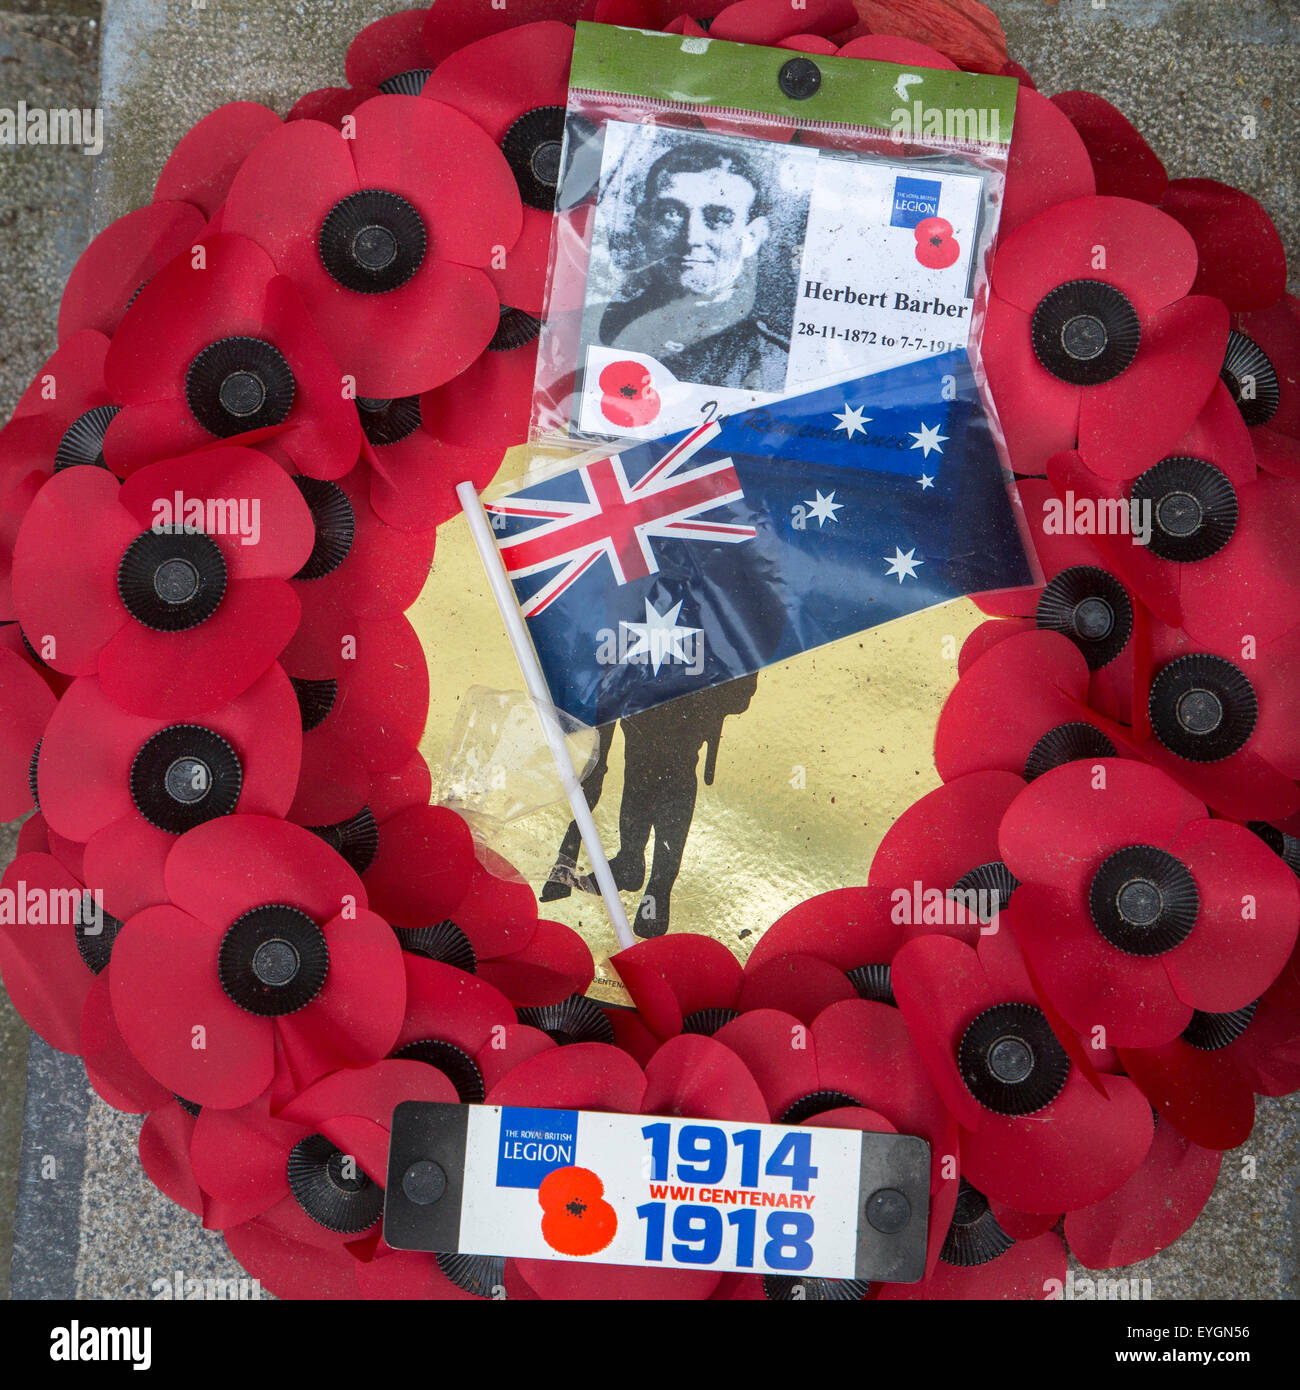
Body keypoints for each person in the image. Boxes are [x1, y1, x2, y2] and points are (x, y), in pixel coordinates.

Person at [540, 673, 759, 937]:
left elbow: (740, 687)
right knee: (639, 765)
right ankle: (632, 861)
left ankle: (658, 883)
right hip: (643, 693)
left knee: (671, 769)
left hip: (690, 696)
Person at [598, 143, 788, 392]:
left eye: (719, 218)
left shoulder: (771, 360)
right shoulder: (602, 326)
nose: (691, 238)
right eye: (671, 214)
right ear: (644, 223)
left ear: (752, 236)